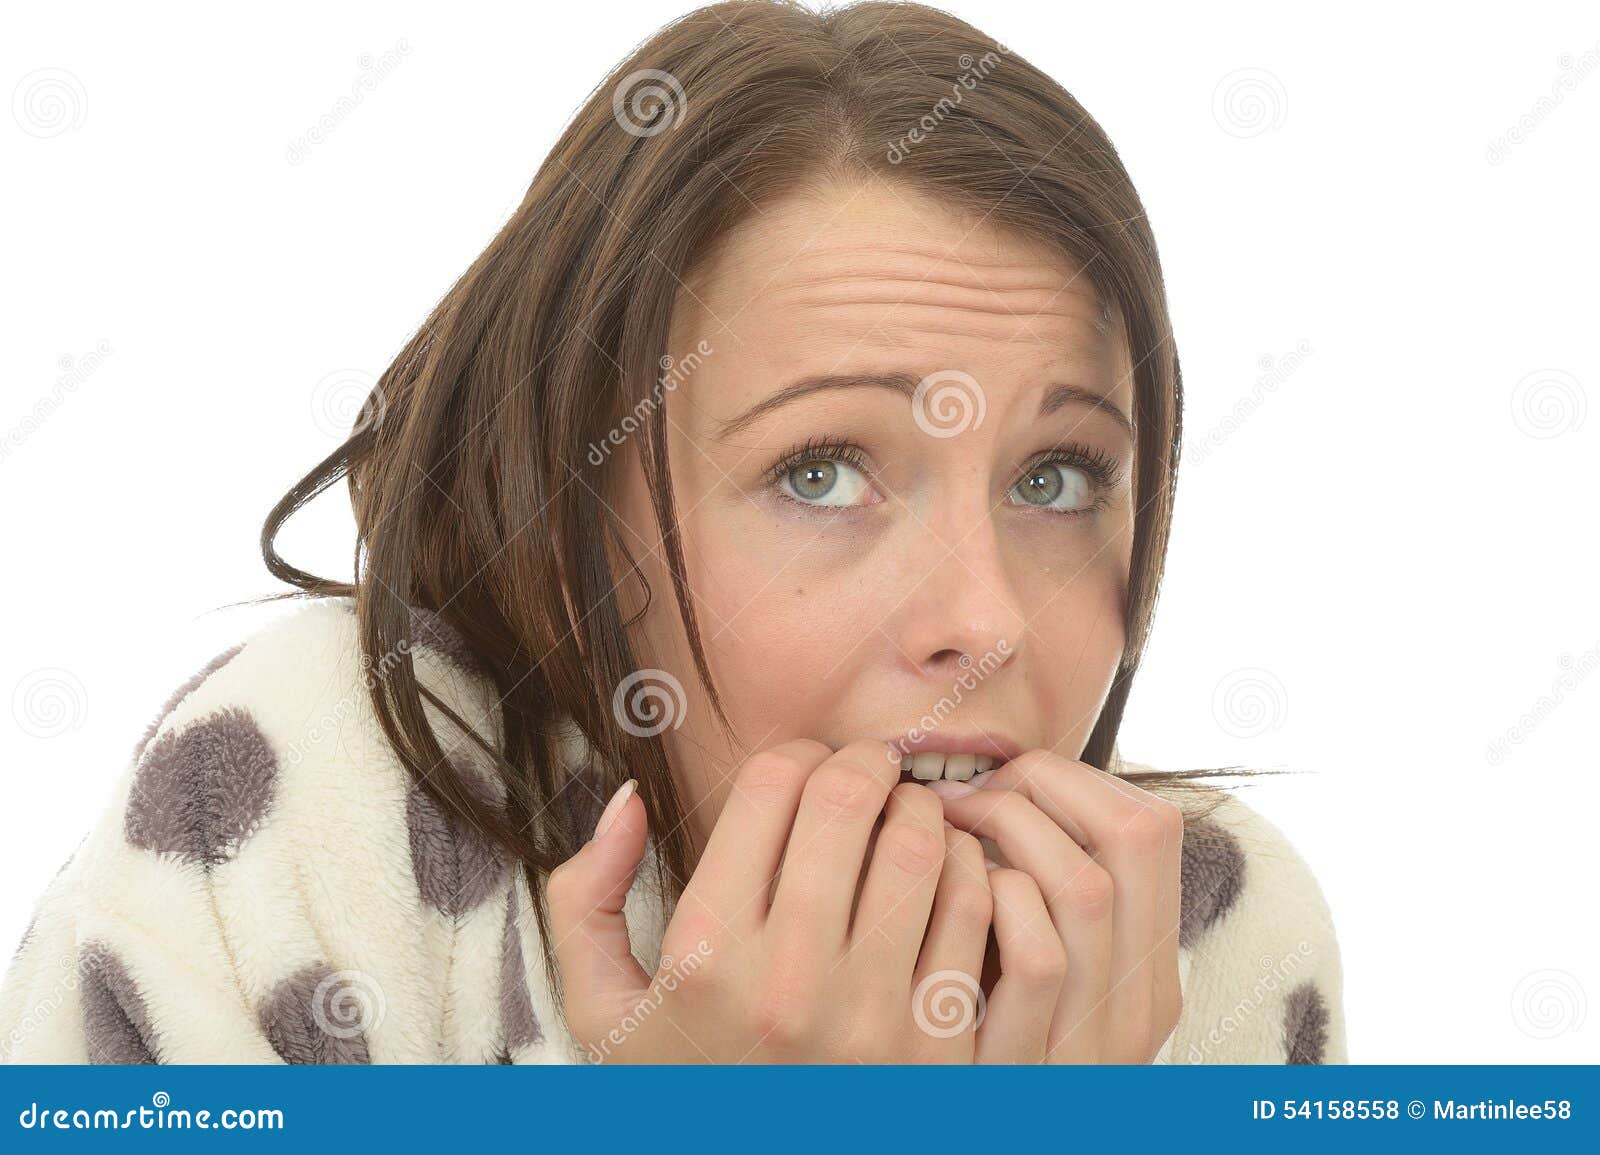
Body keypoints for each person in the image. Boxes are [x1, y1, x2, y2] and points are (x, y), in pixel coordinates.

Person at [1, 0, 1344, 1064]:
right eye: (822, 472)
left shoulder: (1211, 944)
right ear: (571, 528)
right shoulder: (308, 813)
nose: (985, 624)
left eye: (1055, 478)